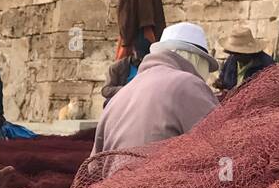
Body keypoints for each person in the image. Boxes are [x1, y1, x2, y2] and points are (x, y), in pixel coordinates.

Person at [92, 21, 219, 155]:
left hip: (115, 175)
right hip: (164, 175)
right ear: (197, 60)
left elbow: (92, 167)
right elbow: (218, 143)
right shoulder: (189, 85)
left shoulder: (119, 96)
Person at [101, 0, 167, 103]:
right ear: (133, 51)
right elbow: (105, 90)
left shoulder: (153, 68)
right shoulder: (119, 68)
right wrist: (128, 89)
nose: (139, 57)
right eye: (138, 53)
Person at [214, 26, 275, 93]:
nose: (234, 56)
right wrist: (220, 84)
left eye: (237, 54)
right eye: (232, 53)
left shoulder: (267, 65)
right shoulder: (231, 60)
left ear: (248, 53)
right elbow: (223, 79)